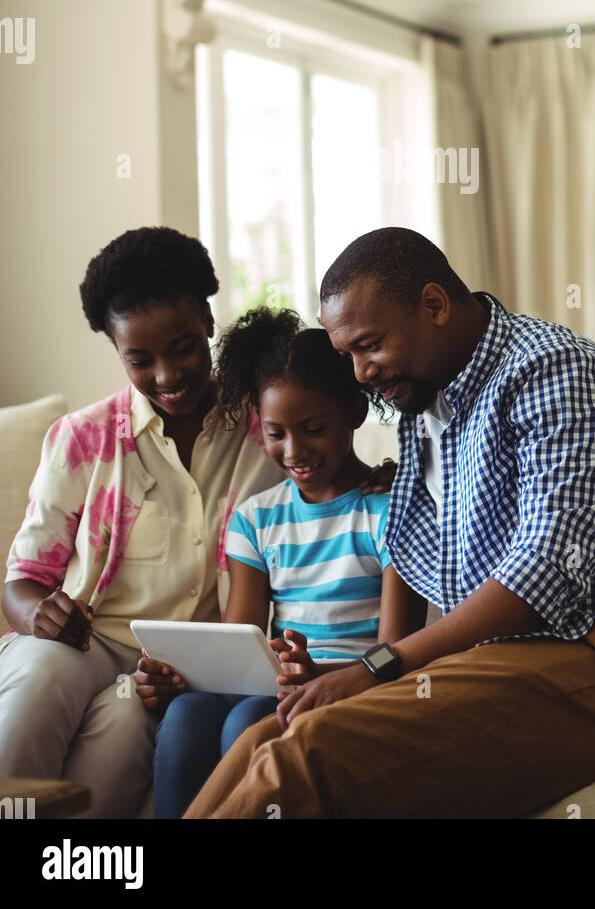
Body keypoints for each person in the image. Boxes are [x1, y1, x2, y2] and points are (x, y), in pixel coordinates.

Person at [184, 226, 595, 821]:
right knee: (262, 740)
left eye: (369, 345)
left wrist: (377, 667)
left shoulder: (553, 371)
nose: (359, 373)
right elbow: (425, 563)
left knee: (303, 755)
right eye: (347, 354)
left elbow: (542, 575)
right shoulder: (426, 402)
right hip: (502, 662)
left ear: (434, 305)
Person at [0, 226, 393, 818]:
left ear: (208, 320)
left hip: (181, 669)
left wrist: (384, 476)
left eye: (182, 347)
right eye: (139, 359)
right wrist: (36, 610)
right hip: (82, 641)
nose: (166, 376)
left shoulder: (263, 428)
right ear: (117, 351)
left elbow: (322, 442)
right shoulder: (82, 439)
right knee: (38, 681)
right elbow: (23, 580)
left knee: (126, 739)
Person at [147, 306, 425, 818]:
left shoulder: (390, 512)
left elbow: (397, 653)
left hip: (359, 681)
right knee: (186, 716)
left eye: (313, 428)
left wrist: (323, 672)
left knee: (246, 722)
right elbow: (238, 649)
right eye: (275, 433)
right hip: (283, 683)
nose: (294, 450)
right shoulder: (255, 520)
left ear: (353, 414)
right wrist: (176, 677)